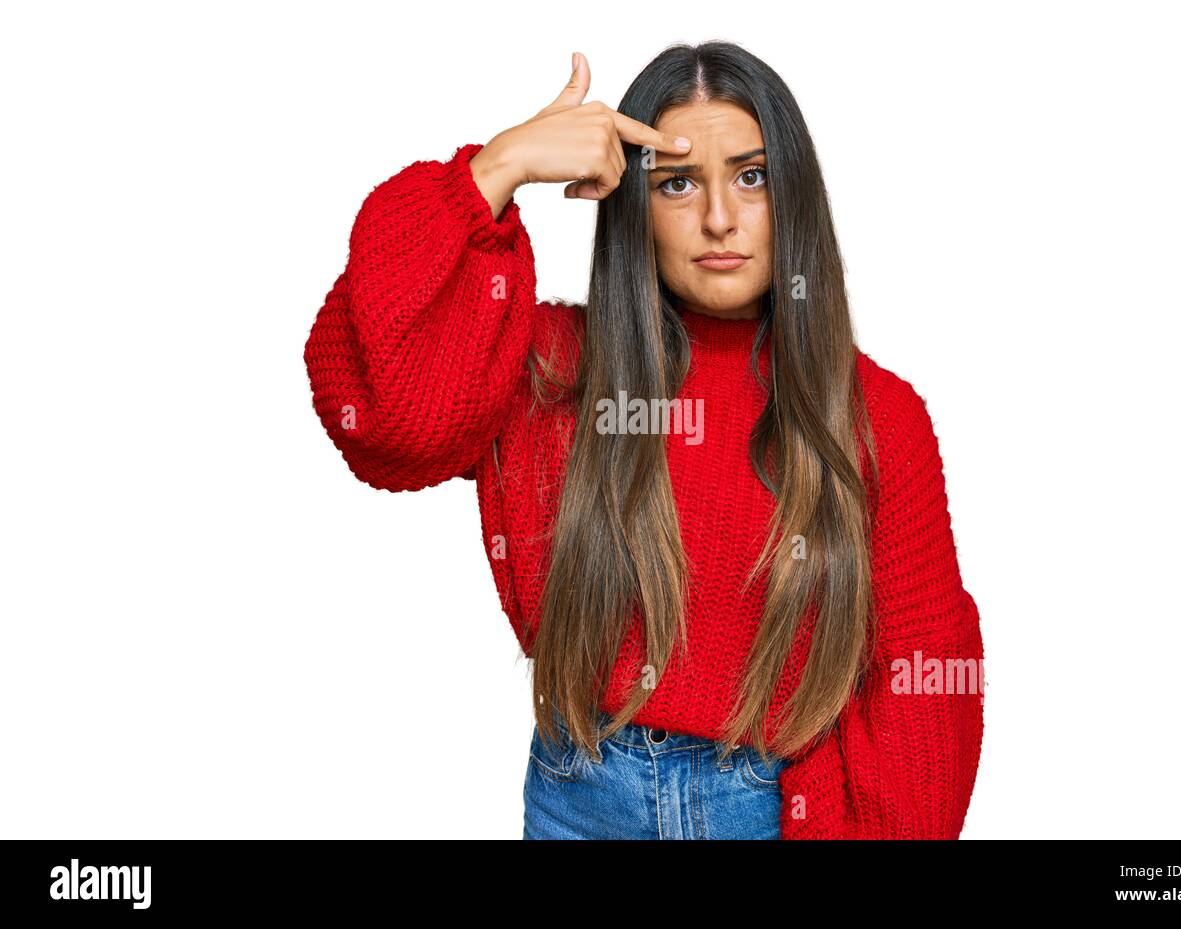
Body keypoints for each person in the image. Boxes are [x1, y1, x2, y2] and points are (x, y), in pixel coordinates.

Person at [303, 41, 985, 840]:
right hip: (577, 799)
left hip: (767, 812)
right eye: (678, 182)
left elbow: (924, 684)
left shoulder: (877, 417)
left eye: (752, 175)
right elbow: (380, 405)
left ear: (794, 196)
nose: (720, 217)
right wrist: (494, 171)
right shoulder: (556, 373)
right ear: (634, 204)